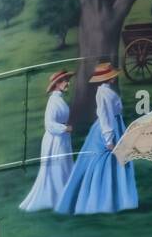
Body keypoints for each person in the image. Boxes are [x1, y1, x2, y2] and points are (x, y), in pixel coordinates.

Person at [55, 61, 137, 215]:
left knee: (116, 163)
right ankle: (102, 202)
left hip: (116, 126)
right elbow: (105, 117)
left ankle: (117, 200)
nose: (114, 77)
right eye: (111, 75)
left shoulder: (107, 91)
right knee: (105, 163)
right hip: (109, 129)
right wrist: (109, 139)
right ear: (107, 78)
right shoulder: (104, 94)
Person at [19, 70, 74, 211]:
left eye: (67, 80)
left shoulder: (60, 99)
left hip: (62, 139)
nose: (67, 83)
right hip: (55, 140)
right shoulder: (53, 101)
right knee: (58, 167)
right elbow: (49, 124)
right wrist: (64, 128)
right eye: (64, 81)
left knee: (64, 165)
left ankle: (64, 197)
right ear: (57, 84)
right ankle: (59, 199)